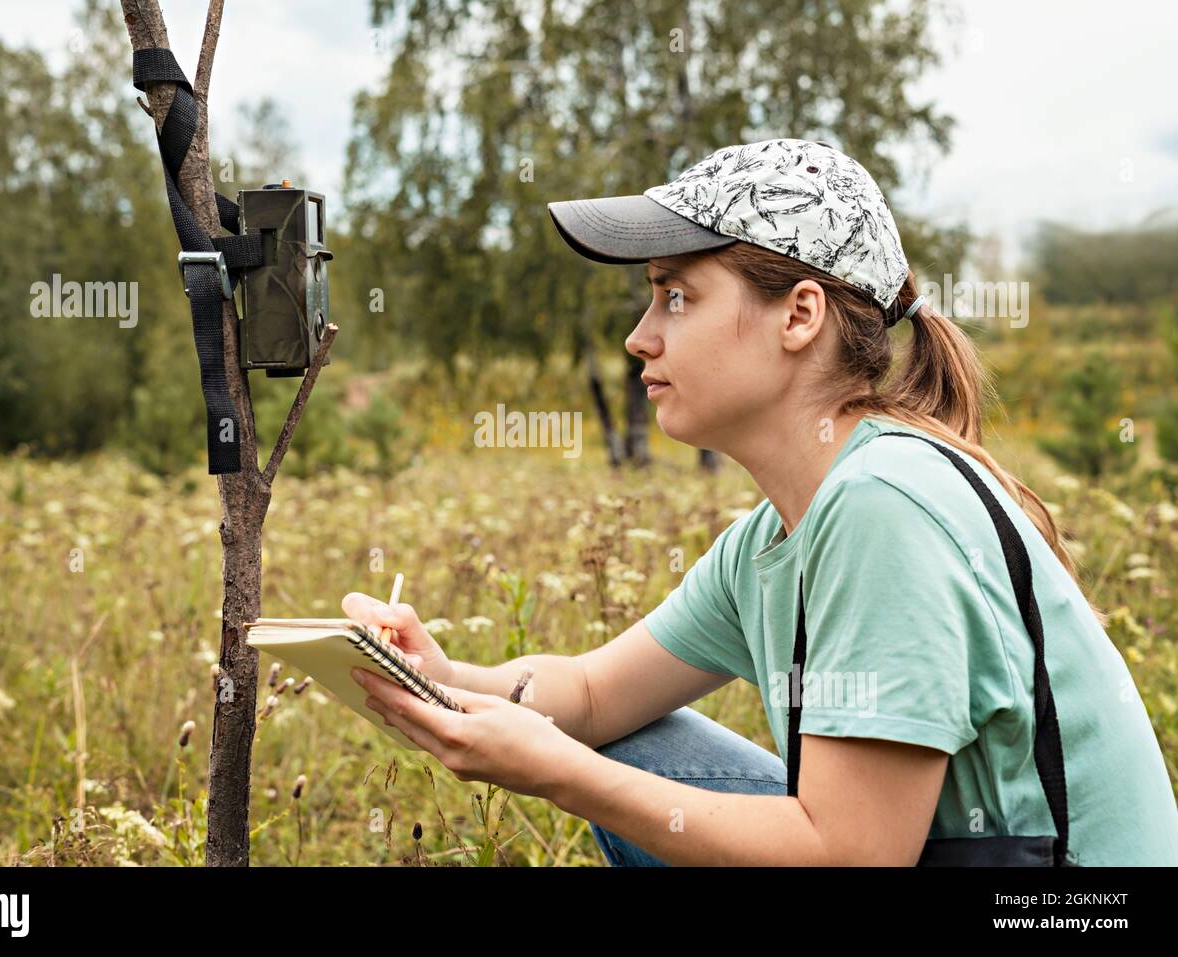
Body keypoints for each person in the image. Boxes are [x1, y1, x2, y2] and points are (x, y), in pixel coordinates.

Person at [344, 139, 1178, 866]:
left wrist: (559, 773)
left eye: (677, 295)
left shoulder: (883, 505)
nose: (641, 334)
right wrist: (441, 678)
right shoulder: (777, 535)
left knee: (598, 763)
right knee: (621, 740)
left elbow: (852, 854)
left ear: (799, 315)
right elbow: (595, 694)